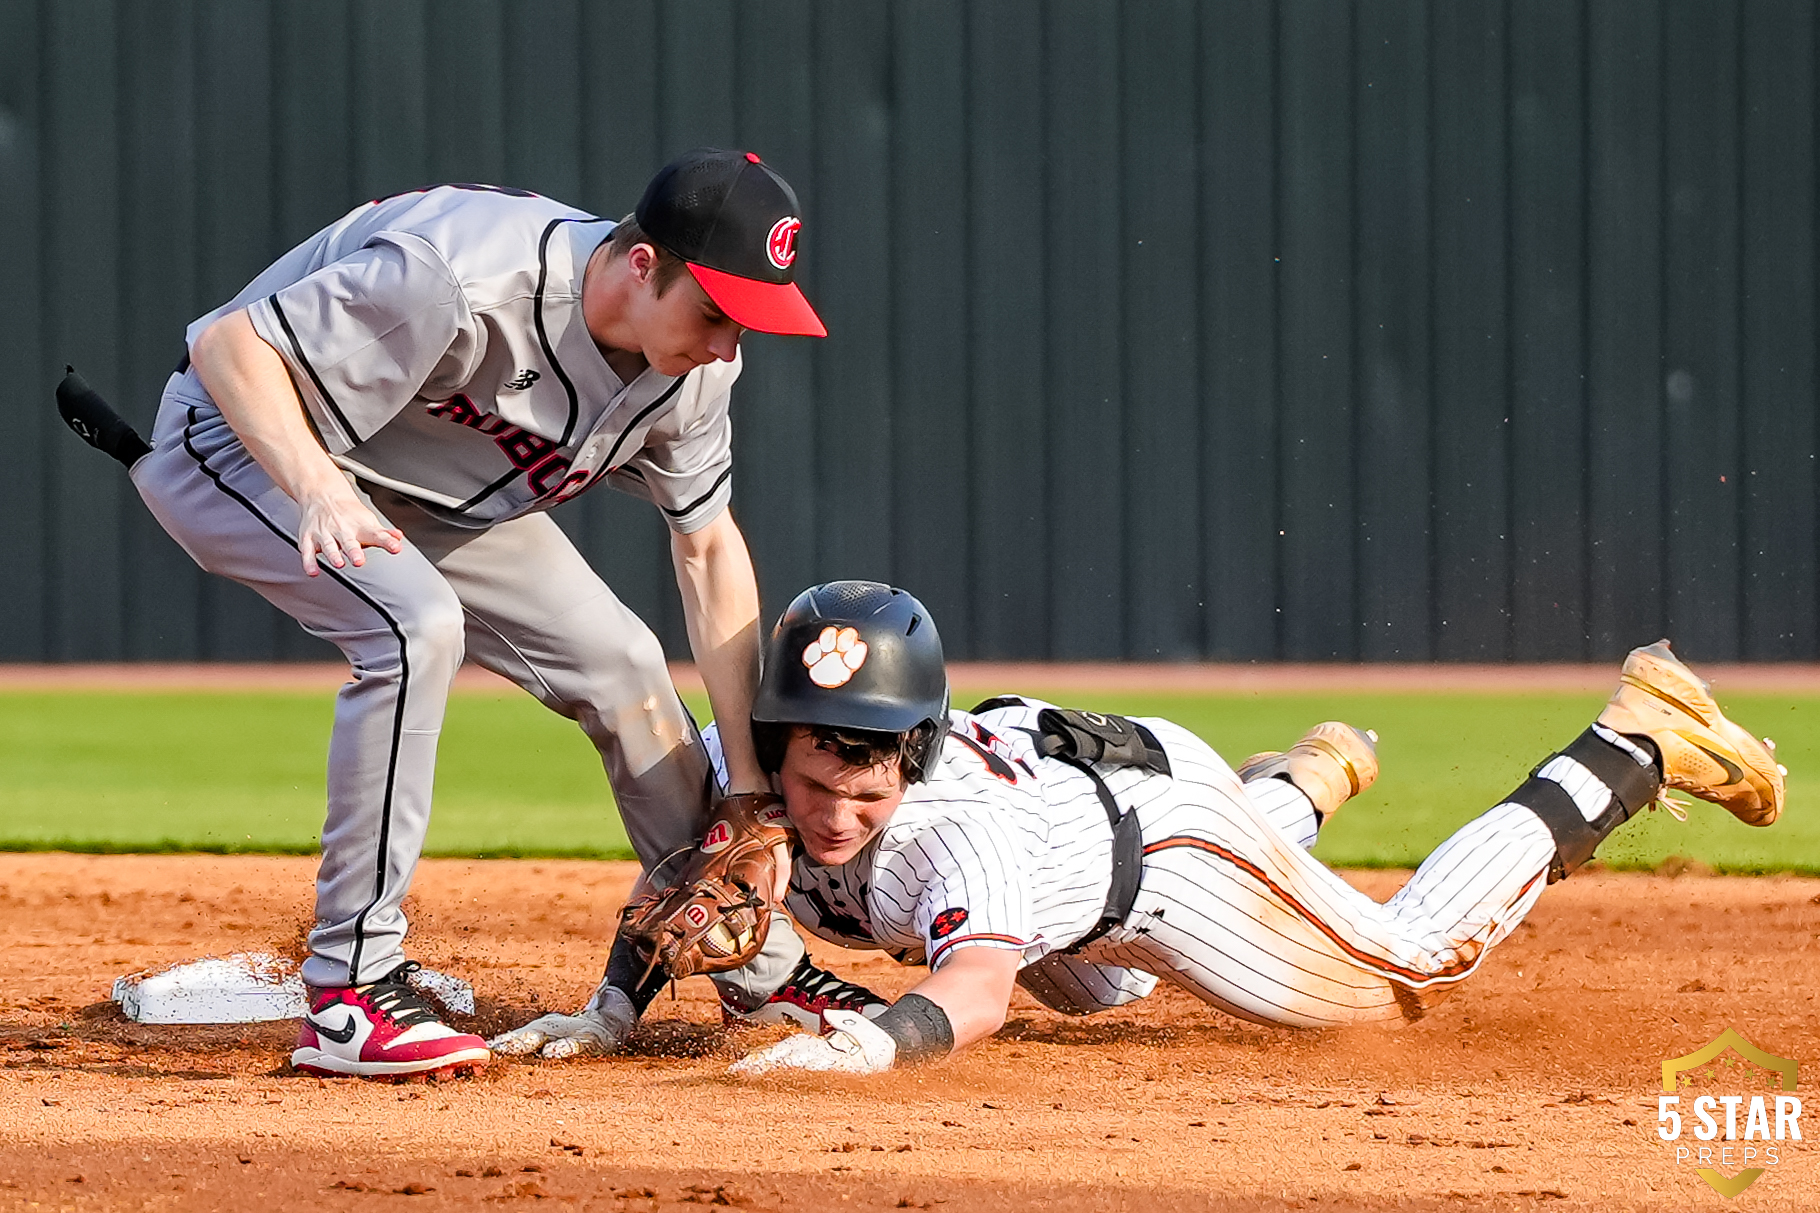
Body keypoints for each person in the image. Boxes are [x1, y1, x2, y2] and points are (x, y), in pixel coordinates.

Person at [121, 149, 875, 1078]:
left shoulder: (695, 370)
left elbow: (709, 549)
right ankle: (348, 991)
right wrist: (315, 486)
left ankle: (756, 969)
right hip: (244, 443)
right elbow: (230, 347)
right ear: (643, 266)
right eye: (716, 312)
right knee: (413, 626)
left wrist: (751, 789)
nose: (728, 345)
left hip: (433, 496)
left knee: (626, 666)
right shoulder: (462, 277)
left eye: (748, 321)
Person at [497, 580, 1786, 1073]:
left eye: (862, 788)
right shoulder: (755, 762)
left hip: (1162, 854)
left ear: (916, 754)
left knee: (1408, 967)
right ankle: (1303, 789)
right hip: (1082, 821)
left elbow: (981, 991)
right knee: (1099, 997)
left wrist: (875, 1051)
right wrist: (617, 1002)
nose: (826, 813)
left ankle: (1631, 738)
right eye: (805, 774)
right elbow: (689, 884)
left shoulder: (956, 839)